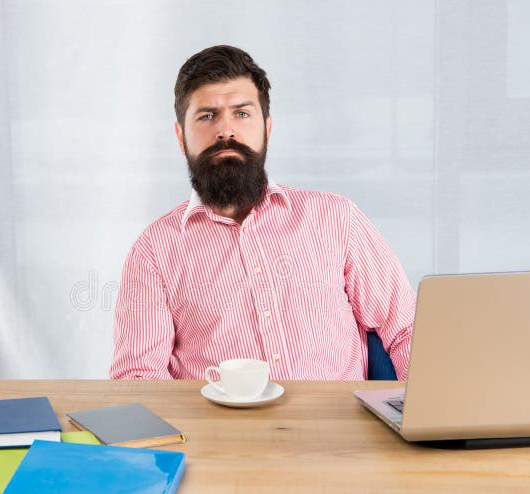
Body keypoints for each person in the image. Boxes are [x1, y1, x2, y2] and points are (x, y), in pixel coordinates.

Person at [110, 45, 416, 381]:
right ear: (181, 137)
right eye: (207, 116)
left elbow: (406, 329)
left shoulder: (336, 219)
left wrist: (426, 422)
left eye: (241, 113)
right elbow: (139, 377)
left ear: (267, 128)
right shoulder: (154, 250)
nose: (225, 131)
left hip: (337, 429)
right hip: (217, 432)